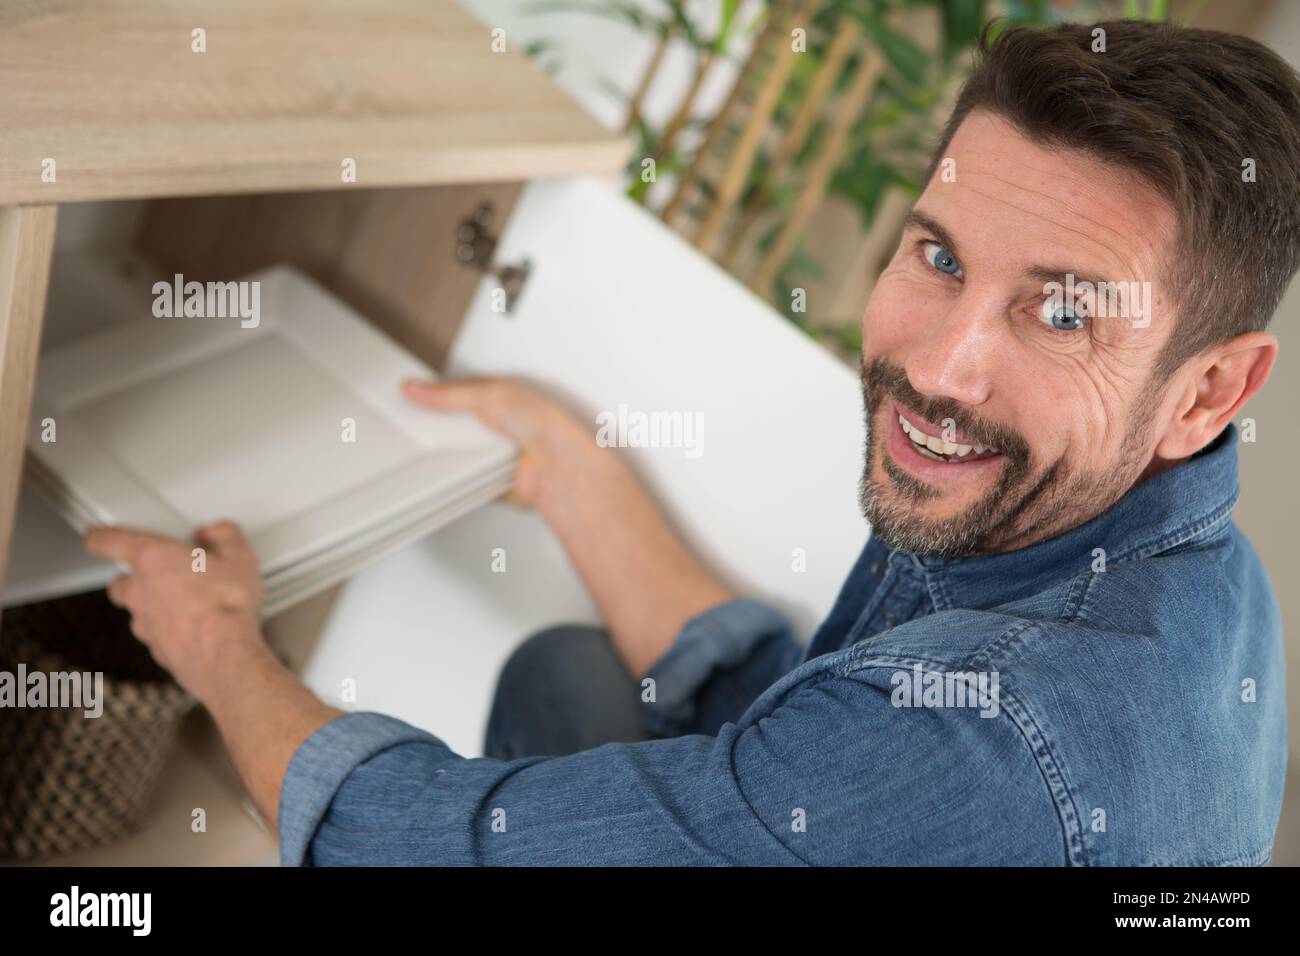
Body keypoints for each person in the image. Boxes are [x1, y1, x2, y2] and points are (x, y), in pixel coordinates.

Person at [85, 19, 1299, 865]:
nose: (936, 369)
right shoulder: (1160, 552)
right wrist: (571, 466)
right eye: (939, 256)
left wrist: (215, 643)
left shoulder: (992, 740)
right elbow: (800, 743)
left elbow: (401, 844)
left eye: (1064, 310)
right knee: (572, 676)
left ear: (1208, 390)